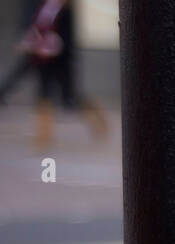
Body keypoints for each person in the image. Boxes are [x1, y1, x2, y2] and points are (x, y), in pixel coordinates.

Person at [0, 0, 106, 146]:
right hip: (38, 57)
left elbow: (68, 37)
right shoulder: (40, 5)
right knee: (39, 91)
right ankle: (43, 136)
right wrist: (29, 40)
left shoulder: (66, 9)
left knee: (69, 98)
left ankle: (97, 117)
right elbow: (32, 24)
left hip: (59, 60)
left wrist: (55, 45)